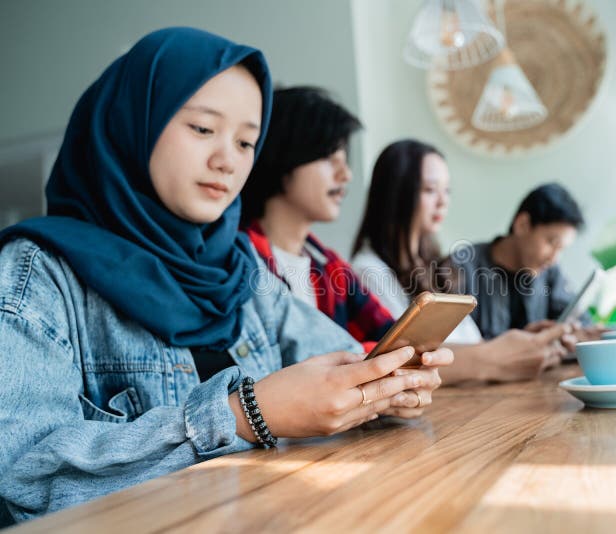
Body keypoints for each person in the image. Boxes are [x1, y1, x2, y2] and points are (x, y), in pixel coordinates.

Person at [0, 29, 450, 526]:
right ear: (133, 123)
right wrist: (244, 416)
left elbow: (338, 357)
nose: (228, 160)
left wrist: (384, 387)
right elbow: (22, 477)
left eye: (245, 142)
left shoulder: (239, 266)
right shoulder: (34, 275)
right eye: (202, 129)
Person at [351, 139, 570, 385]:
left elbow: (468, 342)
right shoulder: (369, 270)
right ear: (397, 193)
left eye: (447, 191)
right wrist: (493, 356)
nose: (443, 202)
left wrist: (517, 343)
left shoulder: (432, 265)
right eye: (430, 190)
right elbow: (400, 357)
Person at [239, 87, 394, 352]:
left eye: (345, 159)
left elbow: (393, 339)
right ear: (283, 155)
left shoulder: (332, 268)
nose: (346, 175)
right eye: (328, 157)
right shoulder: (238, 259)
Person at [449, 183, 604, 345]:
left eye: (561, 249)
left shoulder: (549, 272)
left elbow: (578, 318)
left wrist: (574, 334)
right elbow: (454, 346)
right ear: (522, 225)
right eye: (552, 243)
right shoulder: (460, 268)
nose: (554, 258)